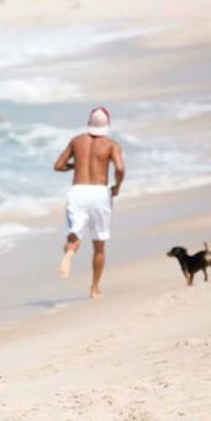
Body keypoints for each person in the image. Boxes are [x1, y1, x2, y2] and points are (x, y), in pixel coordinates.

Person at [53, 107, 125, 299]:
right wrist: (117, 186)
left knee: (74, 236)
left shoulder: (77, 141)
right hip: (100, 193)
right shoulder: (111, 145)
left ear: (89, 122)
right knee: (99, 244)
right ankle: (94, 289)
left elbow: (58, 166)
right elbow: (119, 167)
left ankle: (69, 253)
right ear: (107, 125)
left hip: (78, 191)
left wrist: (75, 166)